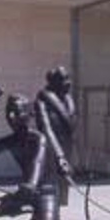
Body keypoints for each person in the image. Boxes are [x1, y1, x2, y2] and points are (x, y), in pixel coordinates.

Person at [35, 66, 76, 206]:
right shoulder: (42, 100)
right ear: (54, 82)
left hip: (66, 145)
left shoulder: (68, 99)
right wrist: (59, 155)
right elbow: (46, 129)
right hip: (51, 147)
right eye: (64, 79)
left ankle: (61, 205)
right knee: (50, 186)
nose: (68, 82)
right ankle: (50, 211)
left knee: (63, 186)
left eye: (68, 78)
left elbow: (72, 122)